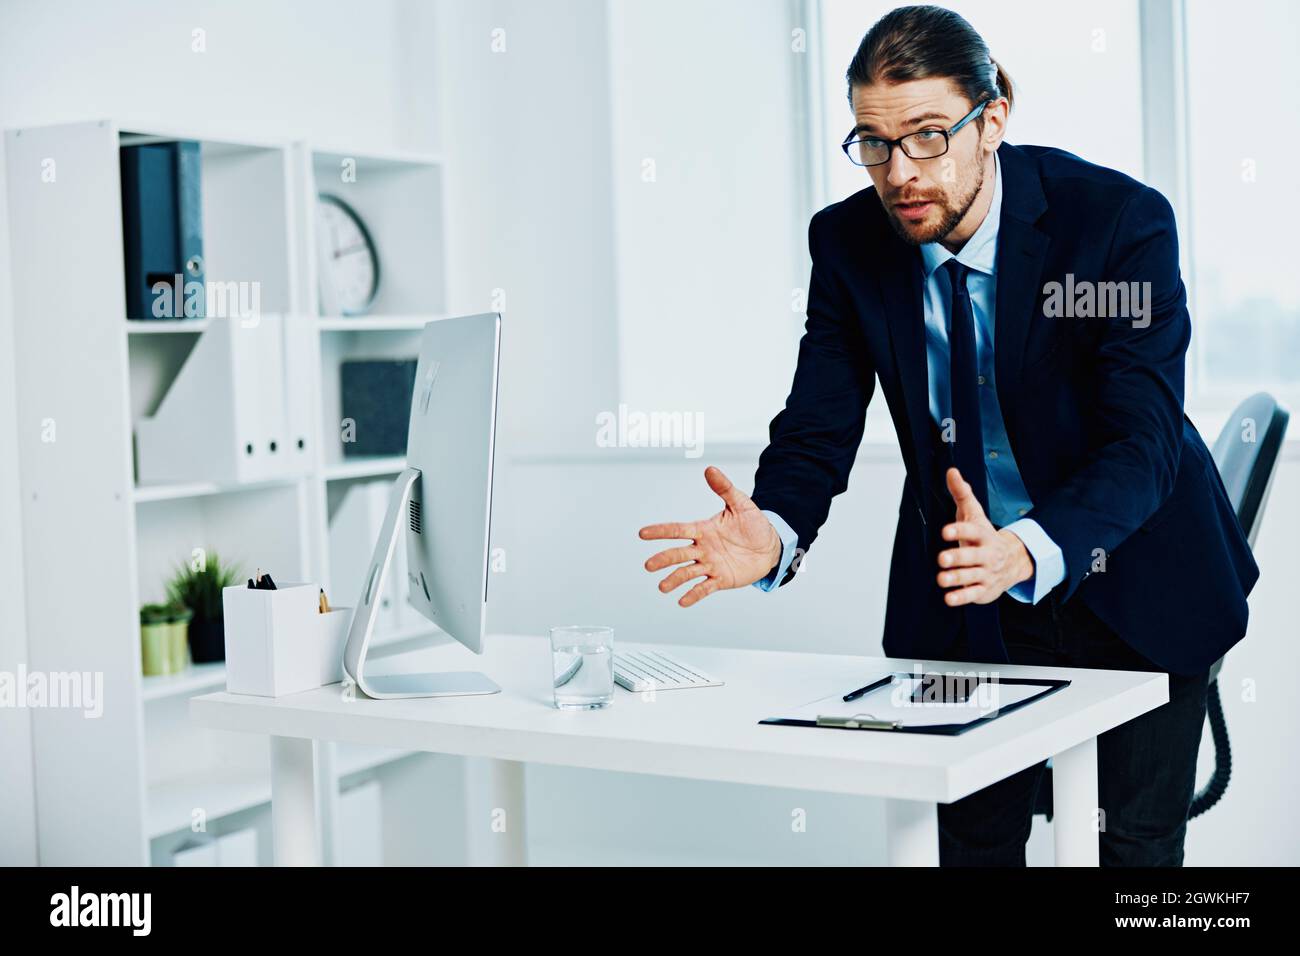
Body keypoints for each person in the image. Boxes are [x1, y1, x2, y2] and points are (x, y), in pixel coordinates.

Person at [637, 4, 1258, 866]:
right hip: (968, 598)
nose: (899, 173)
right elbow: (819, 426)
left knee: (1133, 858)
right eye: (873, 142)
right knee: (967, 844)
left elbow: (1142, 442)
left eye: (929, 135)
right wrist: (774, 529)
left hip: (1136, 578)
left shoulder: (1114, 226)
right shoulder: (850, 243)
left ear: (992, 118)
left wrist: (1028, 548)